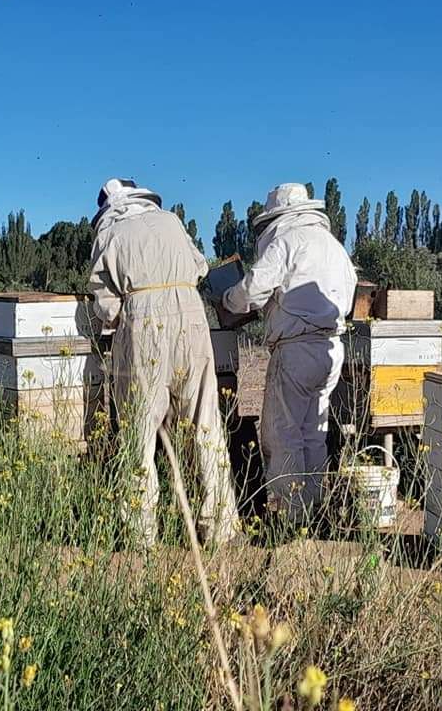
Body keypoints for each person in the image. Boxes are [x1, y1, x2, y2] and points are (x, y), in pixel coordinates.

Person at [88, 178, 240, 549]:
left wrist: (116, 322)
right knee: (204, 421)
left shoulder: (109, 234)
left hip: (143, 319)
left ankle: (141, 533)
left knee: (139, 428)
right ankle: (220, 526)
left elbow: (106, 305)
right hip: (191, 316)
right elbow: (200, 267)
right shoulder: (171, 220)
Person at [222, 183, 357, 525]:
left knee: (282, 433)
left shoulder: (287, 241)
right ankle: (313, 508)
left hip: (296, 348)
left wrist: (227, 300)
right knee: (313, 432)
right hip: (331, 347)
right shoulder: (334, 246)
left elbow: (253, 289)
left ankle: (290, 516)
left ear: (278, 216)